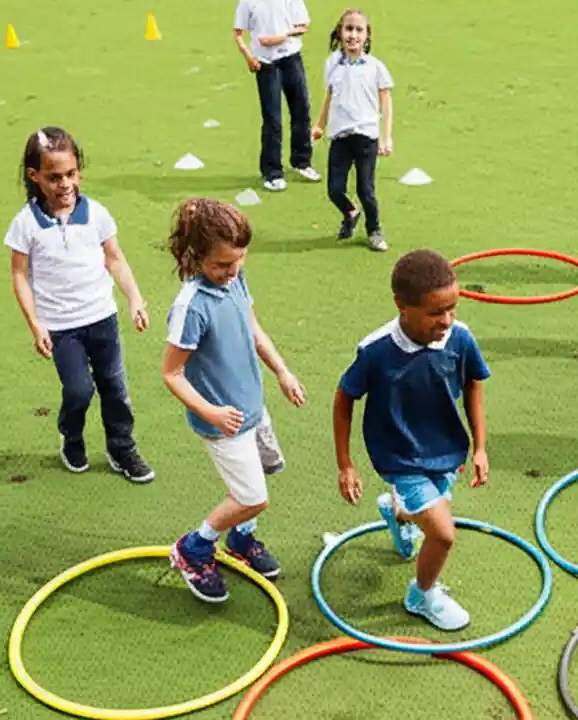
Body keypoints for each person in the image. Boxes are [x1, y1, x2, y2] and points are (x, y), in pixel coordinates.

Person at [332, 249, 490, 630]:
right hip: (399, 456)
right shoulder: (376, 350)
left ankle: (397, 512)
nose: (446, 320)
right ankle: (422, 594)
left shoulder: (460, 338)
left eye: (452, 308)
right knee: (442, 534)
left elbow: (473, 384)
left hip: (446, 450)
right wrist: (345, 464)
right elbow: (344, 398)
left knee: (428, 512)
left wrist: (480, 446)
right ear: (402, 305)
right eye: (436, 312)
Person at [162, 199, 307, 602]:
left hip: (252, 407)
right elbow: (170, 373)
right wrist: (209, 411)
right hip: (221, 423)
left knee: (265, 472)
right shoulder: (191, 306)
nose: (230, 273)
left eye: (238, 262)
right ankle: (194, 547)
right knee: (251, 497)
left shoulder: (235, 281)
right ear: (197, 256)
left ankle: (241, 541)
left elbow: (253, 328)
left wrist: (282, 371)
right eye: (221, 266)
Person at [5, 126, 155, 483]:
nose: (65, 184)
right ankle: (70, 435)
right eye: (54, 177)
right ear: (35, 176)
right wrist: (35, 324)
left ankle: (122, 448)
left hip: (102, 318)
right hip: (61, 327)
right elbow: (19, 275)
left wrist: (134, 298)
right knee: (79, 390)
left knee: (115, 388)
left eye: (71, 174)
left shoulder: (97, 213)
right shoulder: (26, 224)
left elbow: (115, 259)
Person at [312, 8, 394, 252]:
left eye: (359, 30)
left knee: (365, 189)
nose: (353, 35)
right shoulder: (333, 65)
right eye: (349, 29)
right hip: (340, 137)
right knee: (334, 189)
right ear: (340, 32)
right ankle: (350, 213)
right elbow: (330, 97)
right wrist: (319, 124)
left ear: (367, 36)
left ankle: (374, 230)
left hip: (367, 136)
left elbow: (386, 102)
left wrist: (386, 137)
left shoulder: (376, 67)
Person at [234, 0, 323, 191]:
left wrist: (284, 36)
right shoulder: (248, 2)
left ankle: (302, 161)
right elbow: (239, 34)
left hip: (291, 59)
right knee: (273, 118)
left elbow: (304, 25)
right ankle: (272, 171)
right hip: (266, 64)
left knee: (301, 109)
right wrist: (249, 57)